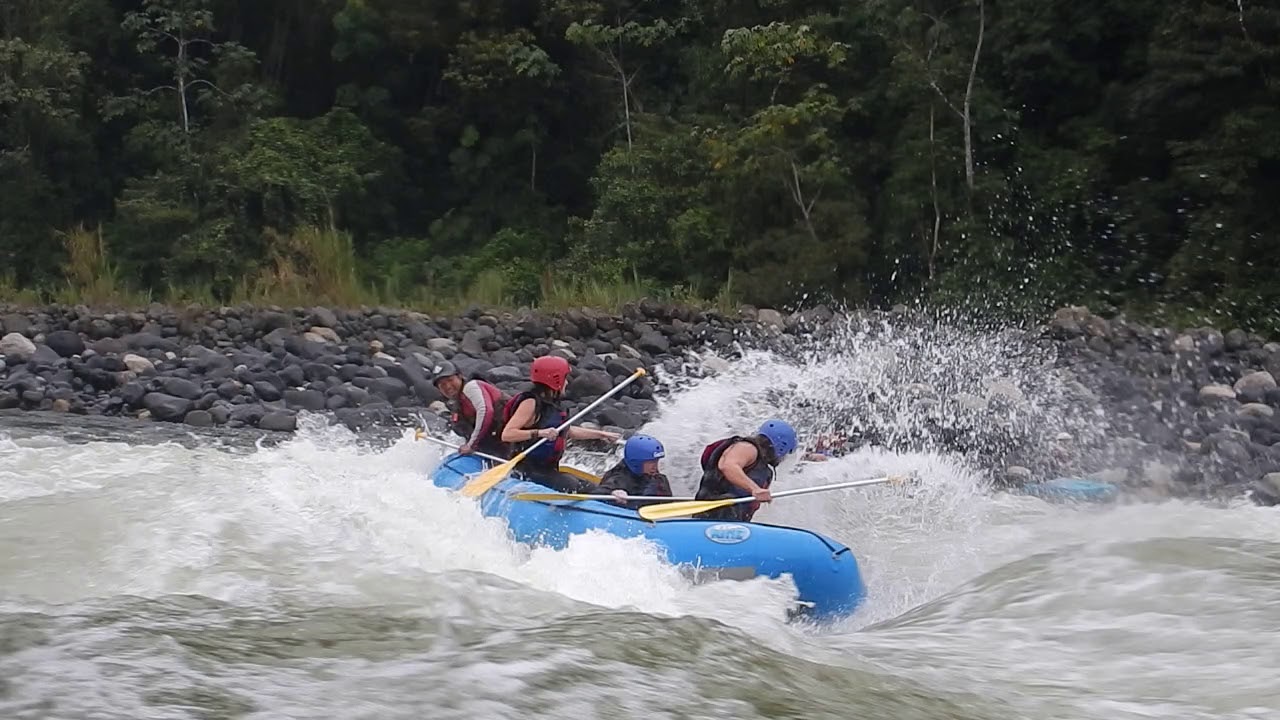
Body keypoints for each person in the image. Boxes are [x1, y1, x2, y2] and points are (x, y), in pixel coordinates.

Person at [501, 355, 620, 493]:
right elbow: (507, 434)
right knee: (573, 486)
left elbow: (566, 431)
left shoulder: (552, 403)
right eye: (565, 378)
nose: (567, 383)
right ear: (555, 380)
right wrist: (540, 433)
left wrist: (600, 434)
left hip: (548, 469)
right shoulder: (530, 403)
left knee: (592, 487)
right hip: (527, 470)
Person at [693, 419, 798, 522]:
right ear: (781, 446)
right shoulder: (747, 448)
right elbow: (728, 466)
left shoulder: (762, 466)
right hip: (712, 518)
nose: (783, 458)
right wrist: (754, 489)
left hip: (732, 522)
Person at [432, 360, 509, 458]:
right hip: (497, 444)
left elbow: (486, 411)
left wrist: (471, 445)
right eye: (442, 385)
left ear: (459, 376)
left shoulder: (471, 387)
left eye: (450, 380)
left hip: (514, 434)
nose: (448, 386)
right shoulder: (457, 405)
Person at [591, 434, 672, 509]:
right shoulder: (619, 479)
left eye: (656, 461)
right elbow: (597, 494)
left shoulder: (659, 479)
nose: (655, 466)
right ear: (636, 462)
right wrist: (612, 493)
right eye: (650, 462)